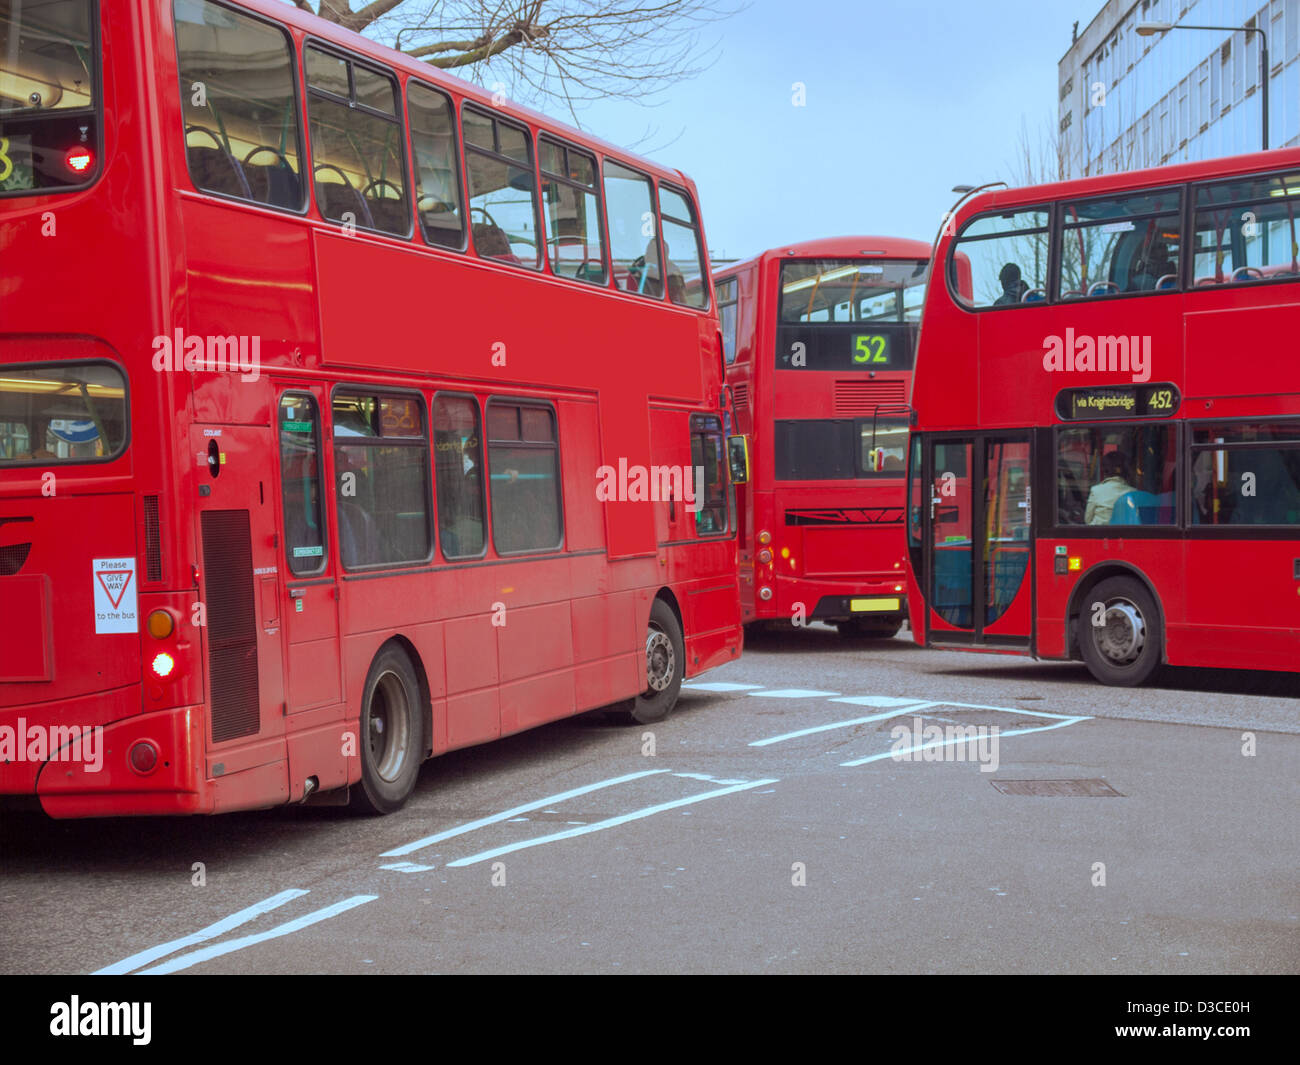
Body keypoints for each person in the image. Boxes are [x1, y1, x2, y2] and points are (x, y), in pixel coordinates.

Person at [1085, 452, 1136, 524]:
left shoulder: (1096, 490)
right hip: (1123, 534)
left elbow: (1088, 519)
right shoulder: (1133, 493)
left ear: (1105, 471)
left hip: (1098, 533)